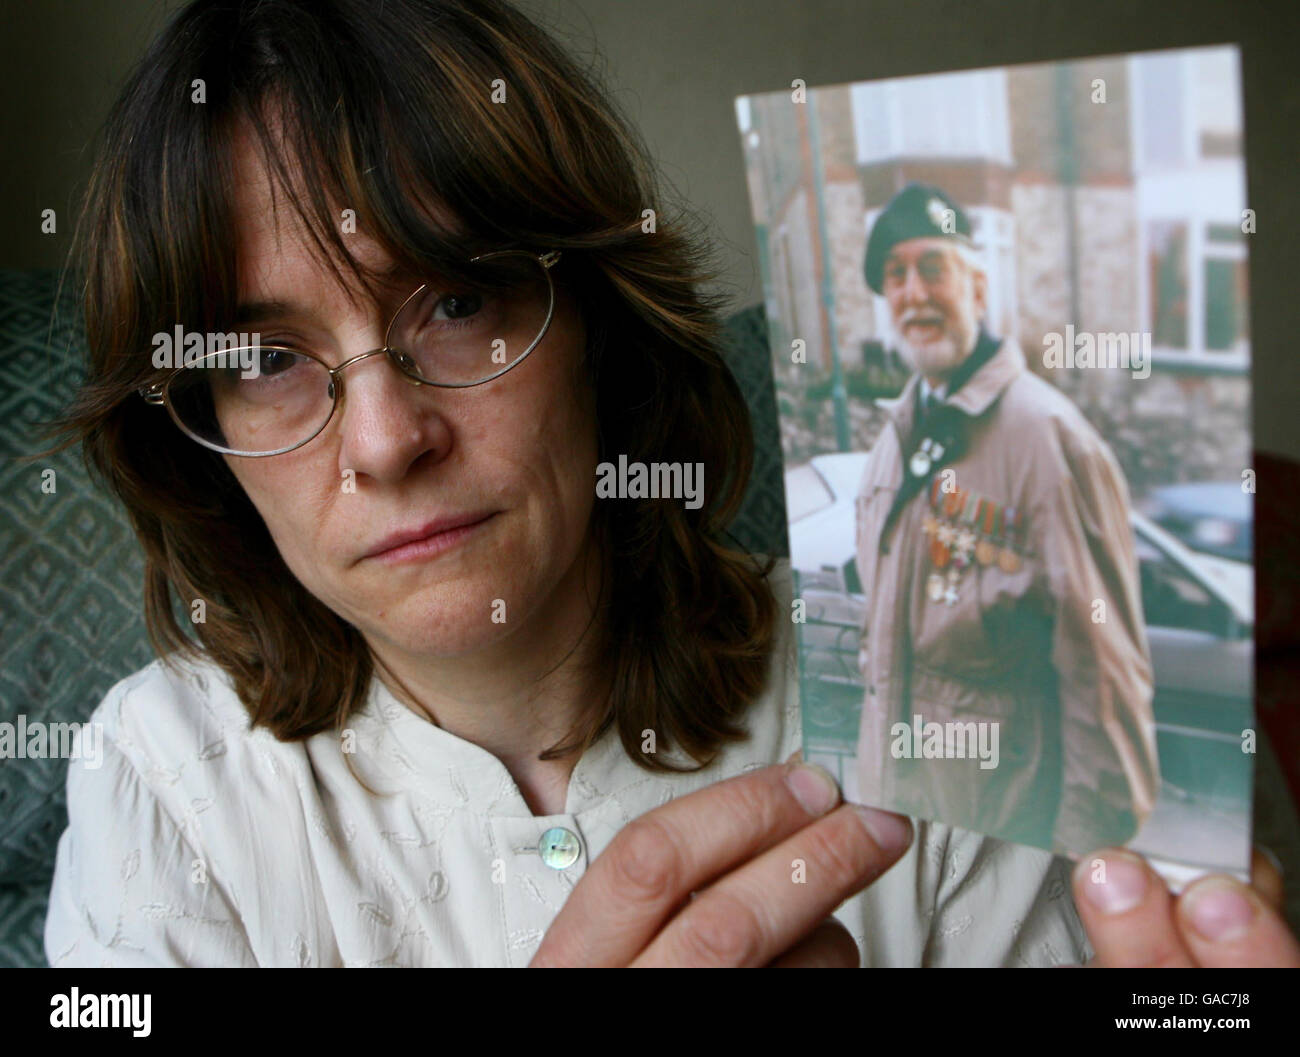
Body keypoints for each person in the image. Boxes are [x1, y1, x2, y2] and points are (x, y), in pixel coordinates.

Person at [37, 0, 1296, 968]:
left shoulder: (938, 672)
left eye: (460, 299)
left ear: (598, 327)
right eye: (263, 359)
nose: (382, 437)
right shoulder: (156, 782)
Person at [852, 182, 1159, 856]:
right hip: (901, 841)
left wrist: (1078, 864)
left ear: (979, 287)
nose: (913, 292)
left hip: (1011, 850)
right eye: (895, 275)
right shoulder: (892, 441)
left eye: (933, 266)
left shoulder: (1048, 439)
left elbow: (1103, 680)